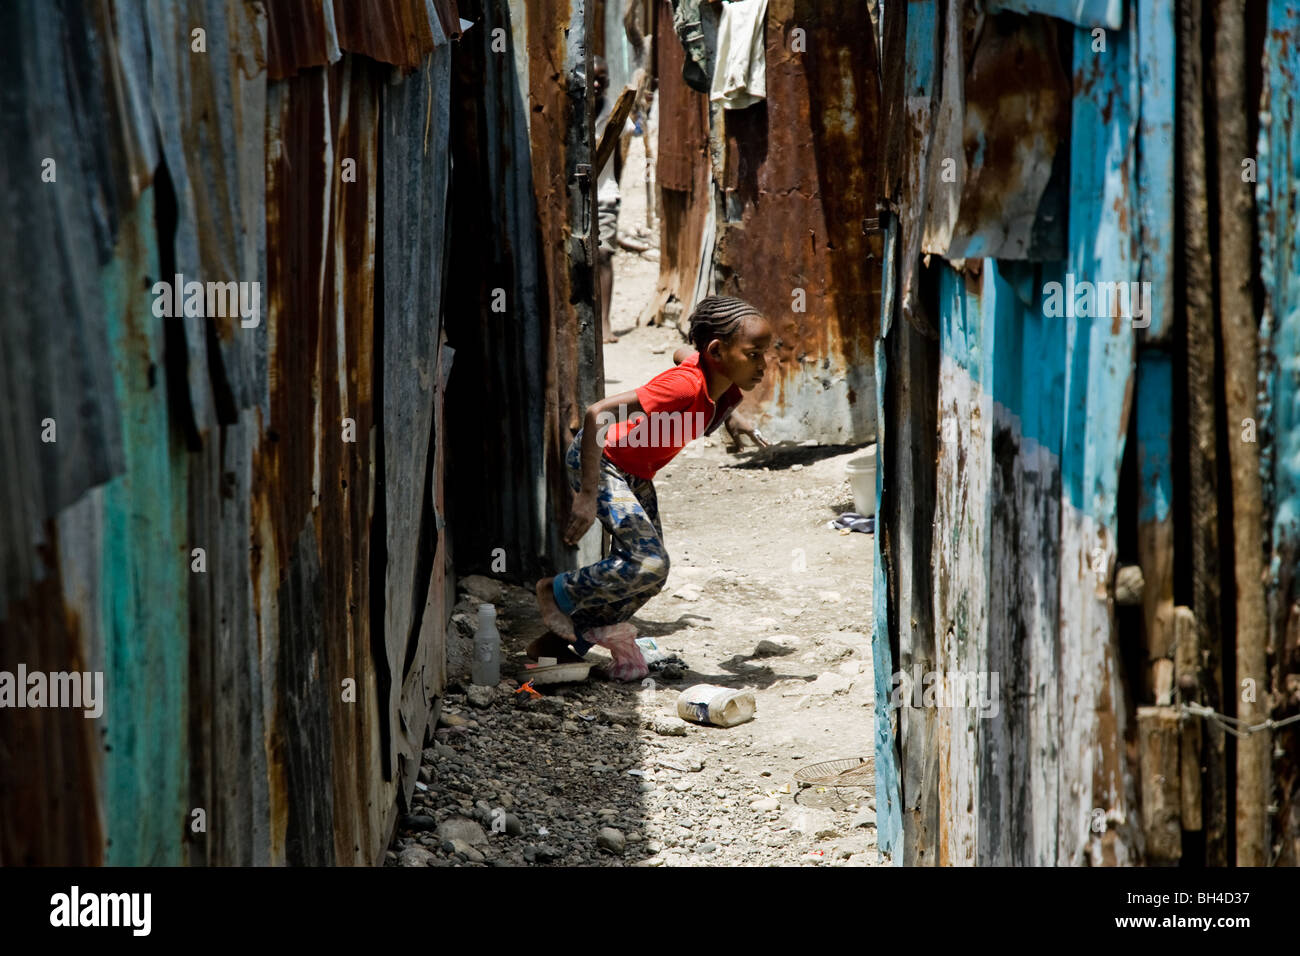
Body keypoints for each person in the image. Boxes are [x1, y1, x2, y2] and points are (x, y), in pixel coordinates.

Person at [531, 296, 773, 680]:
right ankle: (554, 590)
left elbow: (684, 352)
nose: (763, 364)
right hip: (603, 460)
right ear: (716, 351)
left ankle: (561, 645)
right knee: (648, 561)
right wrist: (588, 495)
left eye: (765, 353)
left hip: (636, 472)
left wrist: (732, 418)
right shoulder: (682, 387)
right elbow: (597, 414)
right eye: (754, 353)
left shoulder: (724, 389)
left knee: (652, 576)